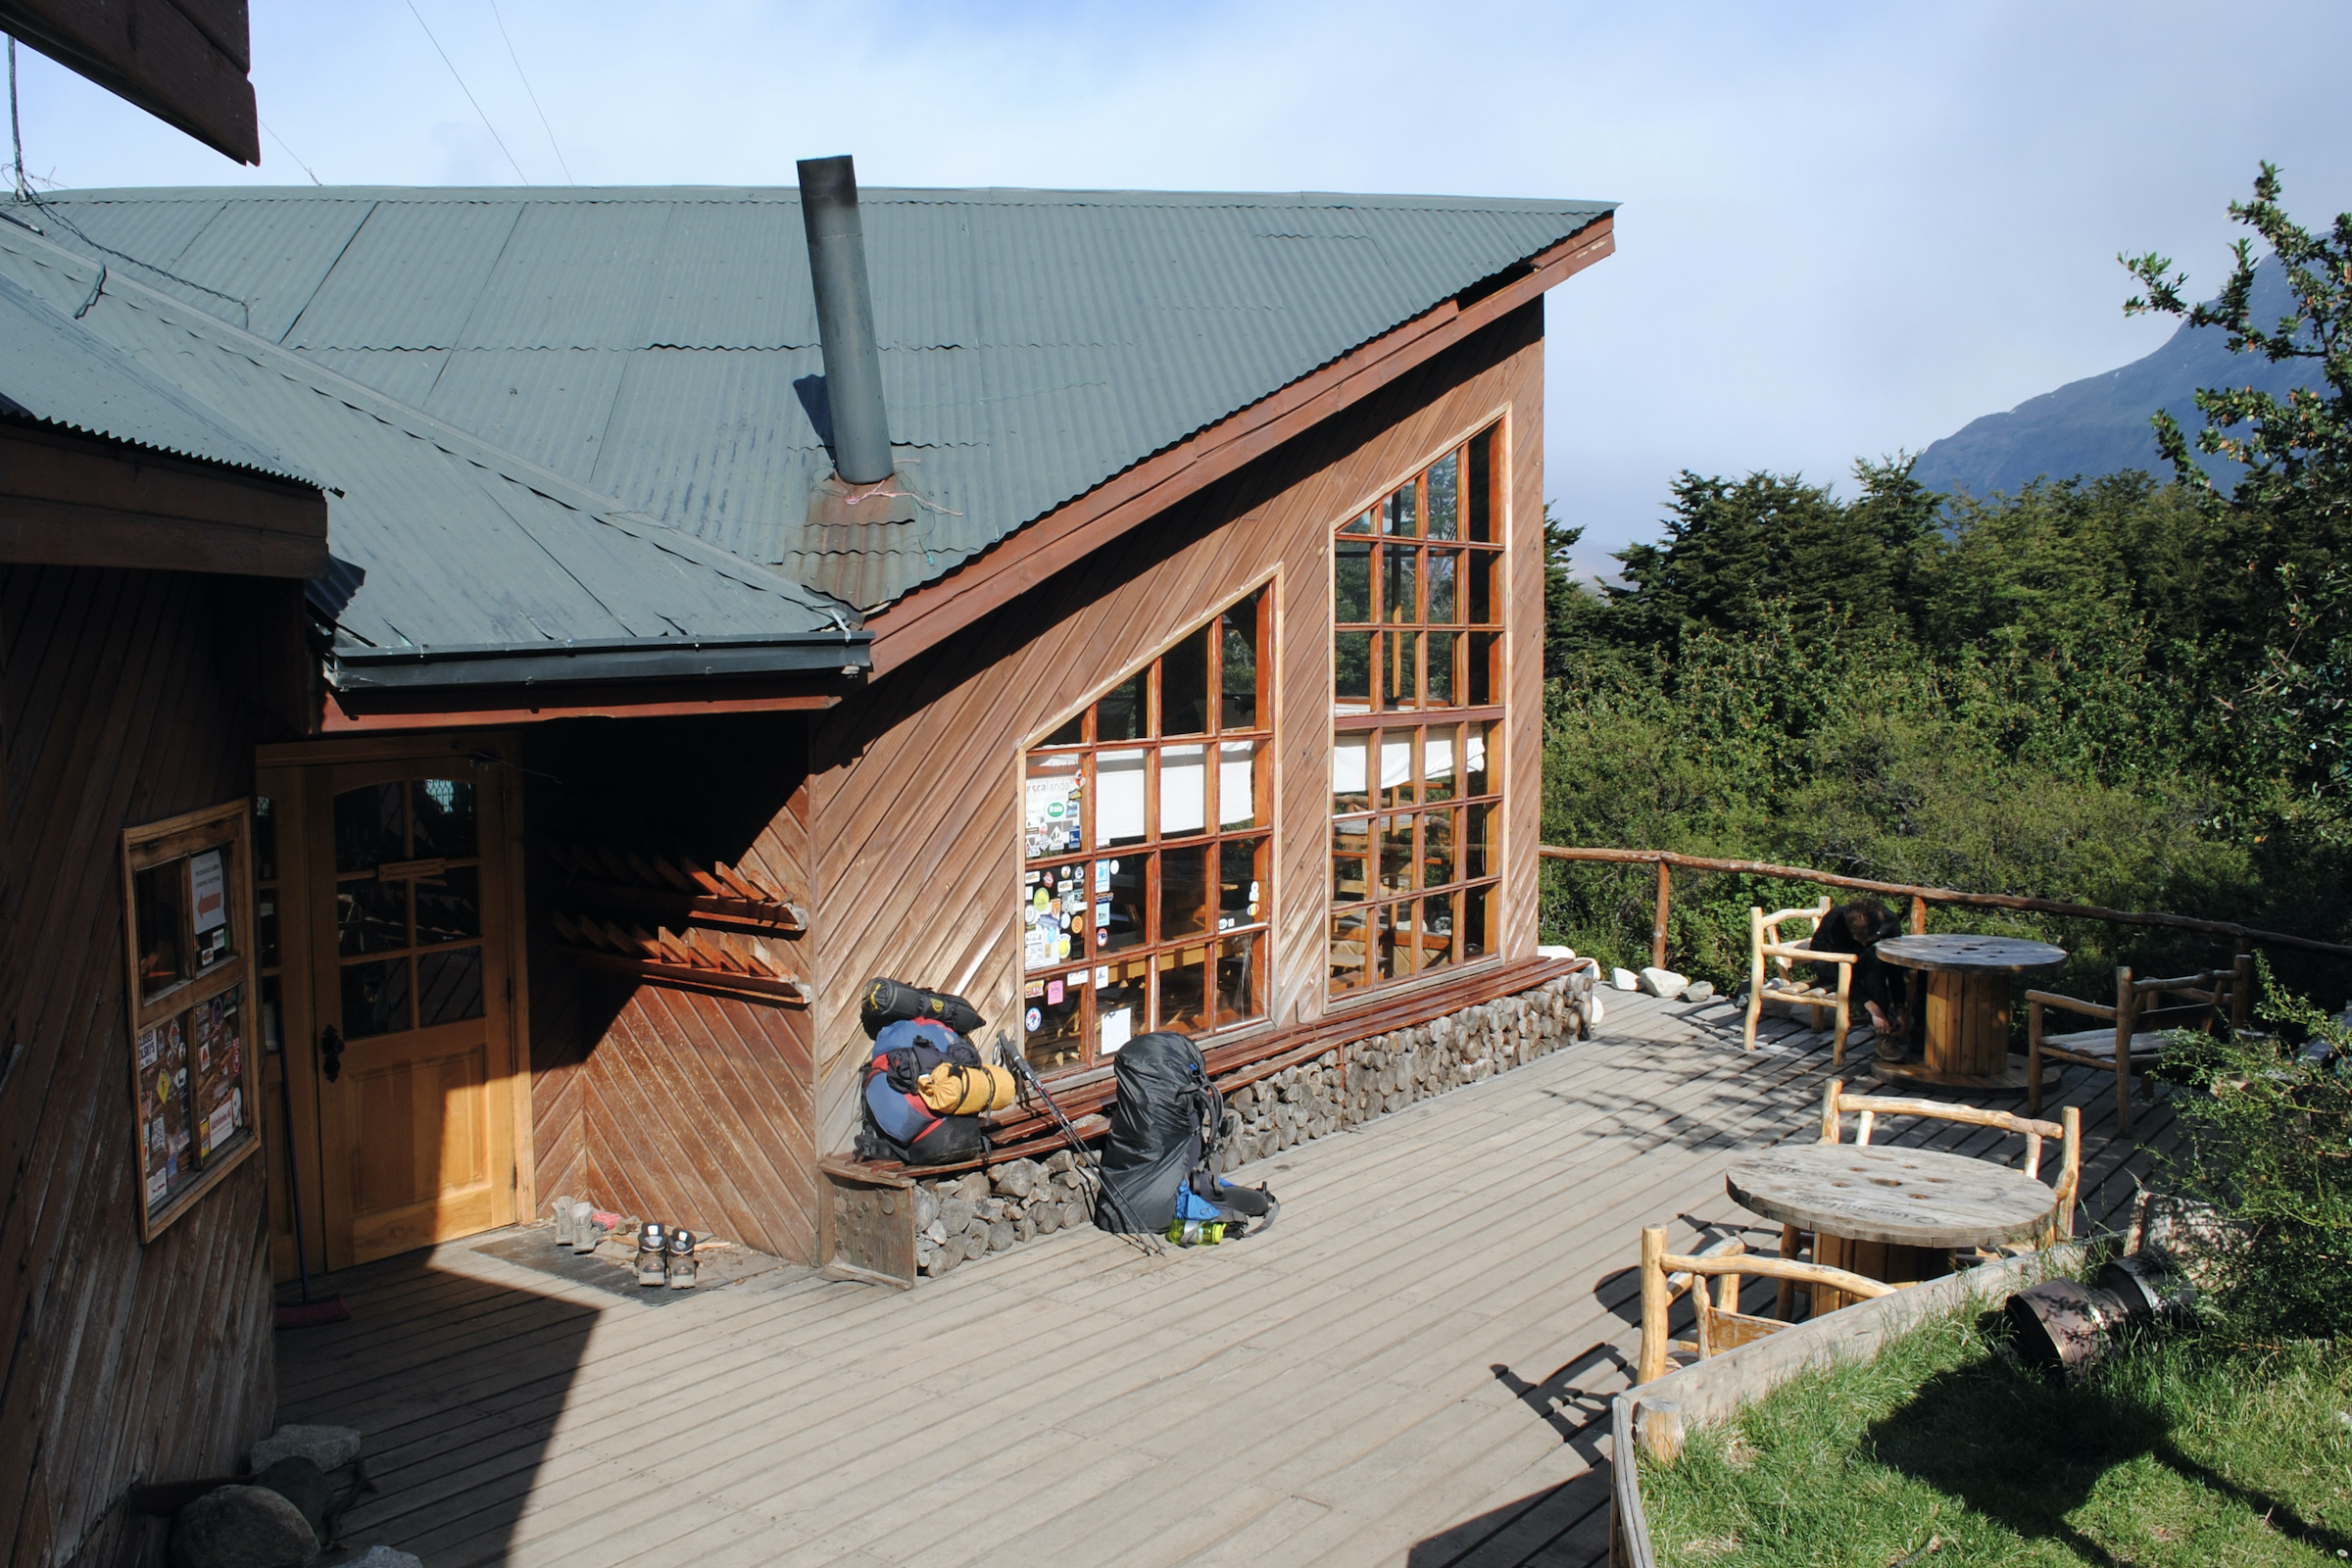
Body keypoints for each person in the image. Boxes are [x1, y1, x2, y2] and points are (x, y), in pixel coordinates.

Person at [1810, 899, 1909, 1048]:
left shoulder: (1891, 921)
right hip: (1828, 962)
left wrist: (1900, 1006)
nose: (1864, 942)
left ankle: (1887, 1024)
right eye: (1860, 939)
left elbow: (1894, 968)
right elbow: (1840, 971)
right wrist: (1871, 1007)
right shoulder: (1835, 921)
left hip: (1860, 961)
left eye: (1869, 939)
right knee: (1870, 959)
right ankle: (1882, 1025)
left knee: (1877, 959)